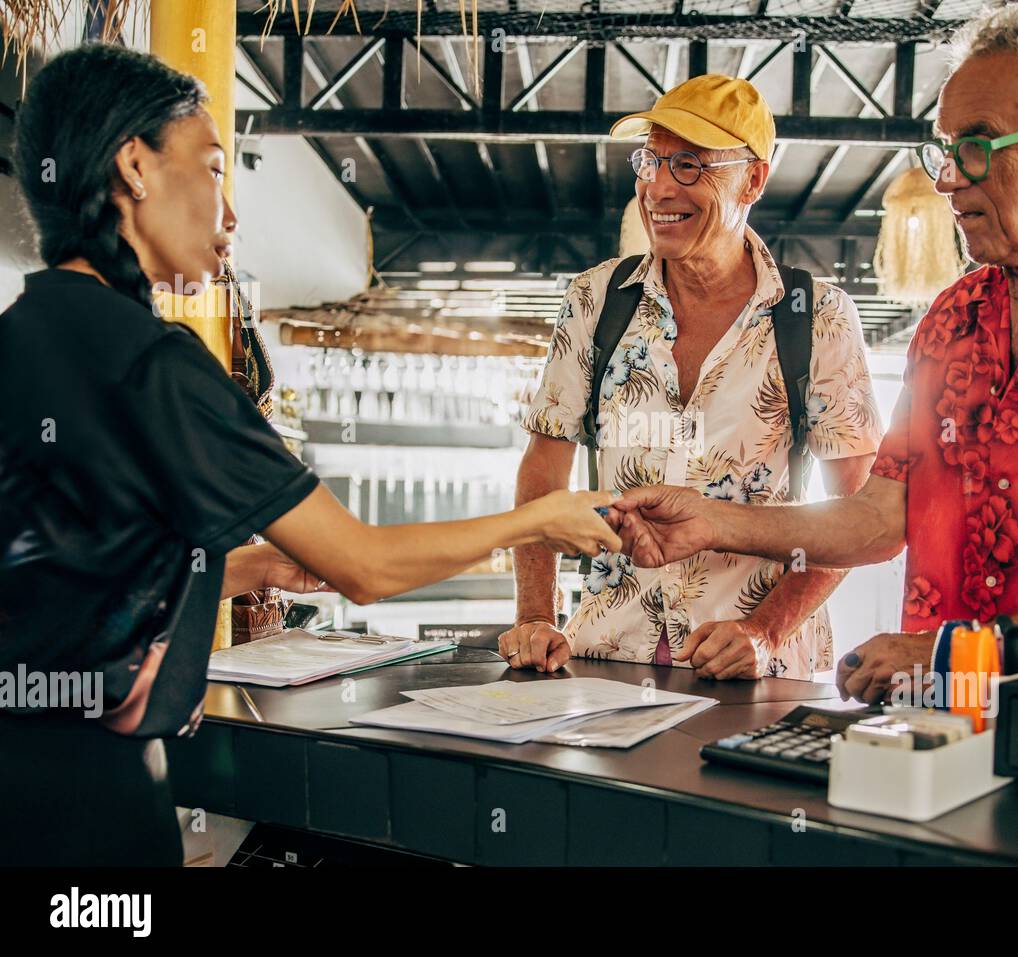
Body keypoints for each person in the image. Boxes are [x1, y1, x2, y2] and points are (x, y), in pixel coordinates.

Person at [0, 44, 620, 866]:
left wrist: (257, 569)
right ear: (134, 165)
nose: (230, 213)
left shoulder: (21, 335)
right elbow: (364, 564)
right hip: (95, 806)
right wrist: (539, 517)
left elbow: (70, 577)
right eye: (215, 168)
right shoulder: (156, 362)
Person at [611, 0, 1018, 703]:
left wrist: (966, 651)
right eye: (945, 148)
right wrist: (714, 520)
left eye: (978, 146)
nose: (948, 178)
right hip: (935, 726)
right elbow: (880, 515)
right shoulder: (952, 320)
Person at [498, 74, 881, 680]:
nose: (655, 186)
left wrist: (766, 630)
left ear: (753, 178)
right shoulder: (597, 300)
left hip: (757, 668)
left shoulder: (819, 318)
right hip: (609, 656)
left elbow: (859, 513)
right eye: (650, 159)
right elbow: (544, 473)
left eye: (688, 164)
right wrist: (535, 614)